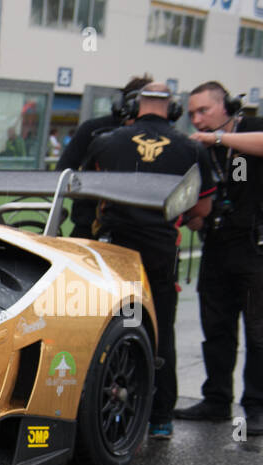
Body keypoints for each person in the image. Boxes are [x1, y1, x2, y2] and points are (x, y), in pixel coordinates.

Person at [84, 82, 214, 440]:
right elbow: (202, 207)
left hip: (114, 252)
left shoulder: (107, 142)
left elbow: (81, 188)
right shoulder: (191, 147)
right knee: (161, 333)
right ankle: (159, 419)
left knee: (111, 329)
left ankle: (111, 414)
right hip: (160, 252)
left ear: (133, 106)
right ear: (173, 109)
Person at [174, 82, 263, 436]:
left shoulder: (254, 128)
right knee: (217, 330)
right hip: (219, 246)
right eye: (192, 113)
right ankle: (217, 399)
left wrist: (218, 140)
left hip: (259, 249)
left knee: (260, 331)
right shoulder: (202, 149)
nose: (197, 119)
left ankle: (255, 407)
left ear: (228, 108)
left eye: (204, 111)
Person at [58, 74, 153, 238]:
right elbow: (63, 172)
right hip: (89, 226)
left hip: (141, 232)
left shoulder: (161, 138)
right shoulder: (93, 130)